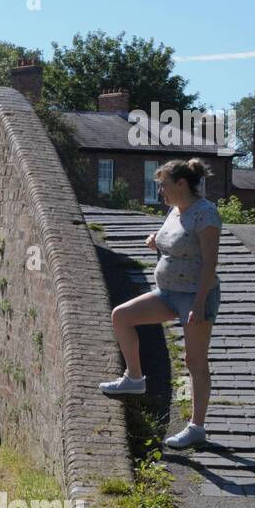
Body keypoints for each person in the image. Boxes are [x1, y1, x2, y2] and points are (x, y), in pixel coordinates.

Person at [100, 158, 222, 450]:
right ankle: (134, 378)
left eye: (164, 185)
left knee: (195, 362)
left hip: (195, 295)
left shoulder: (206, 214)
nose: (161, 192)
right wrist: (156, 240)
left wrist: (199, 303)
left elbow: (209, 263)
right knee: (122, 316)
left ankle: (196, 427)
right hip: (168, 292)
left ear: (182, 184)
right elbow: (174, 240)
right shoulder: (174, 211)